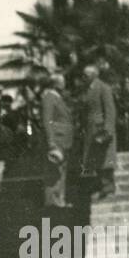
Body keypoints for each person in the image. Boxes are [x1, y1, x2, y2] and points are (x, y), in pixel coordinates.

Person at [81, 63, 117, 200]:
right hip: (91, 130)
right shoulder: (88, 89)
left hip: (101, 130)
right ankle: (102, 186)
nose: (83, 78)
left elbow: (110, 111)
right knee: (96, 160)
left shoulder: (103, 88)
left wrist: (107, 131)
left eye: (85, 75)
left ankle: (108, 187)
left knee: (105, 159)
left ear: (93, 75)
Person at [40, 70, 74, 210]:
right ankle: (52, 200)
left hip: (63, 139)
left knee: (61, 170)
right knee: (54, 170)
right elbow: (47, 120)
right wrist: (51, 141)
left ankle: (59, 199)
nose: (64, 83)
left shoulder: (57, 97)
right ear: (55, 83)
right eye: (62, 81)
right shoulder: (49, 97)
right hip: (57, 139)